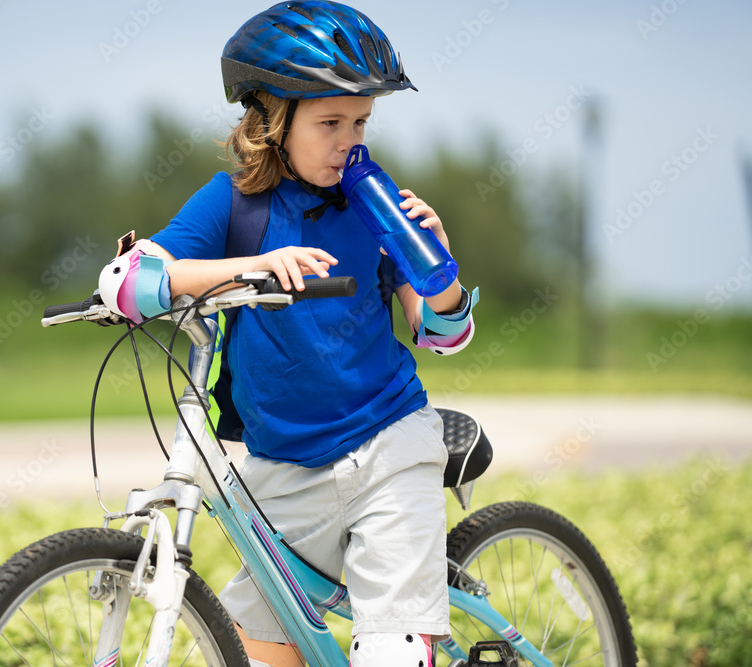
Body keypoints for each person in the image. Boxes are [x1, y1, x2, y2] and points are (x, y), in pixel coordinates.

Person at [99, 2, 478, 665]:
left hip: (387, 451)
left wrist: (435, 260)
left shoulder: (376, 207)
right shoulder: (234, 205)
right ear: (273, 121)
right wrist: (253, 265)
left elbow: (441, 333)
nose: (349, 140)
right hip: (280, 476)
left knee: (390, 652)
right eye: (329, 122)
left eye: (360, 121)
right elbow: (133, 278)